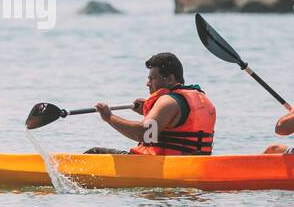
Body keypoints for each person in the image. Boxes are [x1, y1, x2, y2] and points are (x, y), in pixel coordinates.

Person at [87, 53, 216, 155]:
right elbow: (178, 123)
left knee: (94, 153)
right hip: (196, 164)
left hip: (160, 166)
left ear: (170, 79)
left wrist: (109, 117)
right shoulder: (203, 99)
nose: (148, 83)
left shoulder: (167, 101)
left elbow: (146, 133)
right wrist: (148, 110)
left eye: (152, 78)